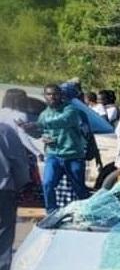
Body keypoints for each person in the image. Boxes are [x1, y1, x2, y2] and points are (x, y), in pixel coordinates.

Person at [30, 84, 90, 212]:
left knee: (79, 188)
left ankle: (86, 212)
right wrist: (30, 130)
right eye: (49, 94)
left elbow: (62, 120)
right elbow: (40, 132)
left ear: (61, 95)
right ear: (45, 96)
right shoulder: (44, 114)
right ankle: (51, 211)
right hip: (53, 155)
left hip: (73, 155)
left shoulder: (70, 110)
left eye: (55, 94)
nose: (52, 97)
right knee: (47, 183)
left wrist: (37, 124)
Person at [0, 122, 31, 270]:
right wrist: (20, 186)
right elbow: (19, 163)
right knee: (2, 249)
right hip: (3, 194)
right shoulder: (4, 130)